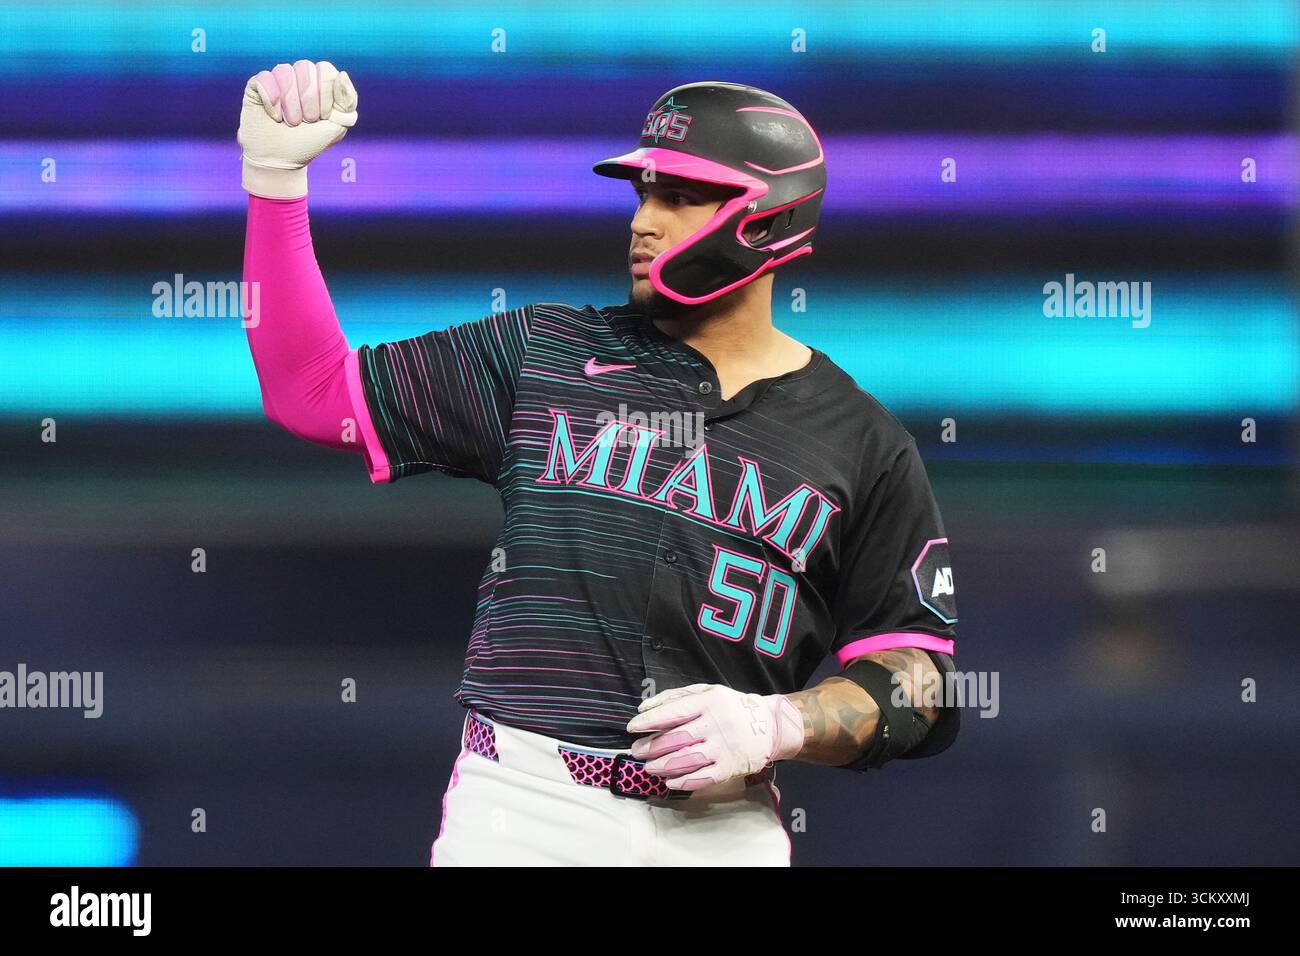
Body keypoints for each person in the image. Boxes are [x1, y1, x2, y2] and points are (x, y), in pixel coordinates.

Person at [239, 63, 961, 866]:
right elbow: (311, 391)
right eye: (642, 193)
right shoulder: (544, 352)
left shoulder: (863, 441)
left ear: (766, 219)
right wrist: (276, 184)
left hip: (724, 827)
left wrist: (778, 723)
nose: (643, 221)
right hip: (524, 805)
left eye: (680, 197)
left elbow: (917, 680)